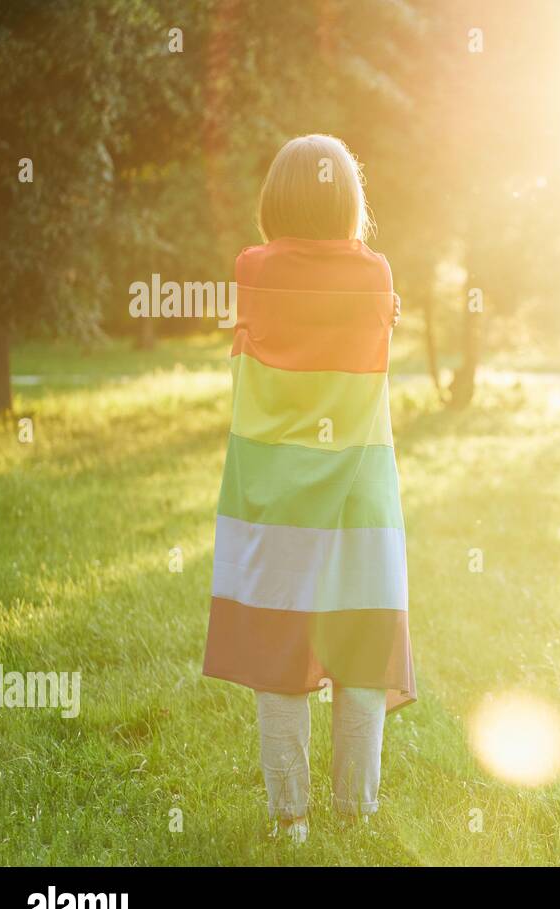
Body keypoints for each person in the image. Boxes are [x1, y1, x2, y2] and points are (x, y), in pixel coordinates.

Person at [202, 134, 416, 844]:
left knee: (278, 650)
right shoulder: (378, 274)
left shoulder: (252, 270)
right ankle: (358, 814)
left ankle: (290, 821)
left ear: (277, 198)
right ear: (348, 200)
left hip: (277, 496)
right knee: (360, 646)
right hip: (361, 496)